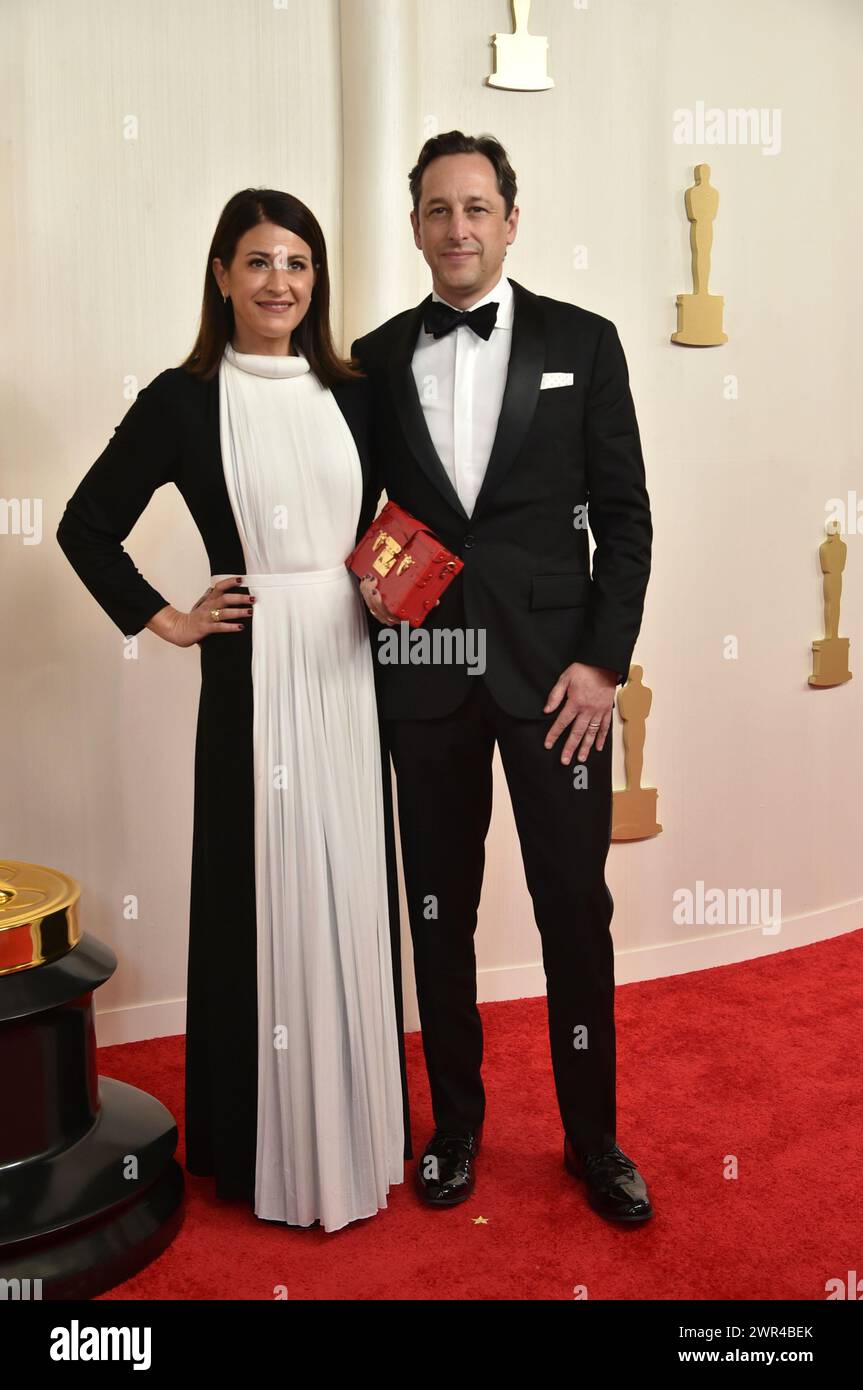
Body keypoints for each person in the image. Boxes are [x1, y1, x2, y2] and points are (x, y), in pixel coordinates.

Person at [56, 188, 411, 1233]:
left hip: (348, 660)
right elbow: (84, 524)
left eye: (297, 263)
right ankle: (264, 1148)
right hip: (250, 664)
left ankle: (355, 1128)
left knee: (345, 876)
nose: (278, 283)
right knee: (256, 889)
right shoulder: (182, 397)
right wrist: (162, 617)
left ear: (318, 280)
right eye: (257, 261)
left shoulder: (356, 391)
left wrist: (398, 593)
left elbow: (410, 511)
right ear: (220, 274)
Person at [353, 132, 654, 1223]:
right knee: (438, 911)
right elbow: (362, 515)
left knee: (572, 908)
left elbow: (622, 520)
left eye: (476, 208)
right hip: (426, 673)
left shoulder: (587, 341)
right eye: (437, 209)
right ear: (416, 225)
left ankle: (592, 1140)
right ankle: (456, 1129)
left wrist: (600, 663)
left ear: (510, 219)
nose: (458, 228)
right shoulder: (374, 358)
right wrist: (369, 595)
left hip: (556, 684)